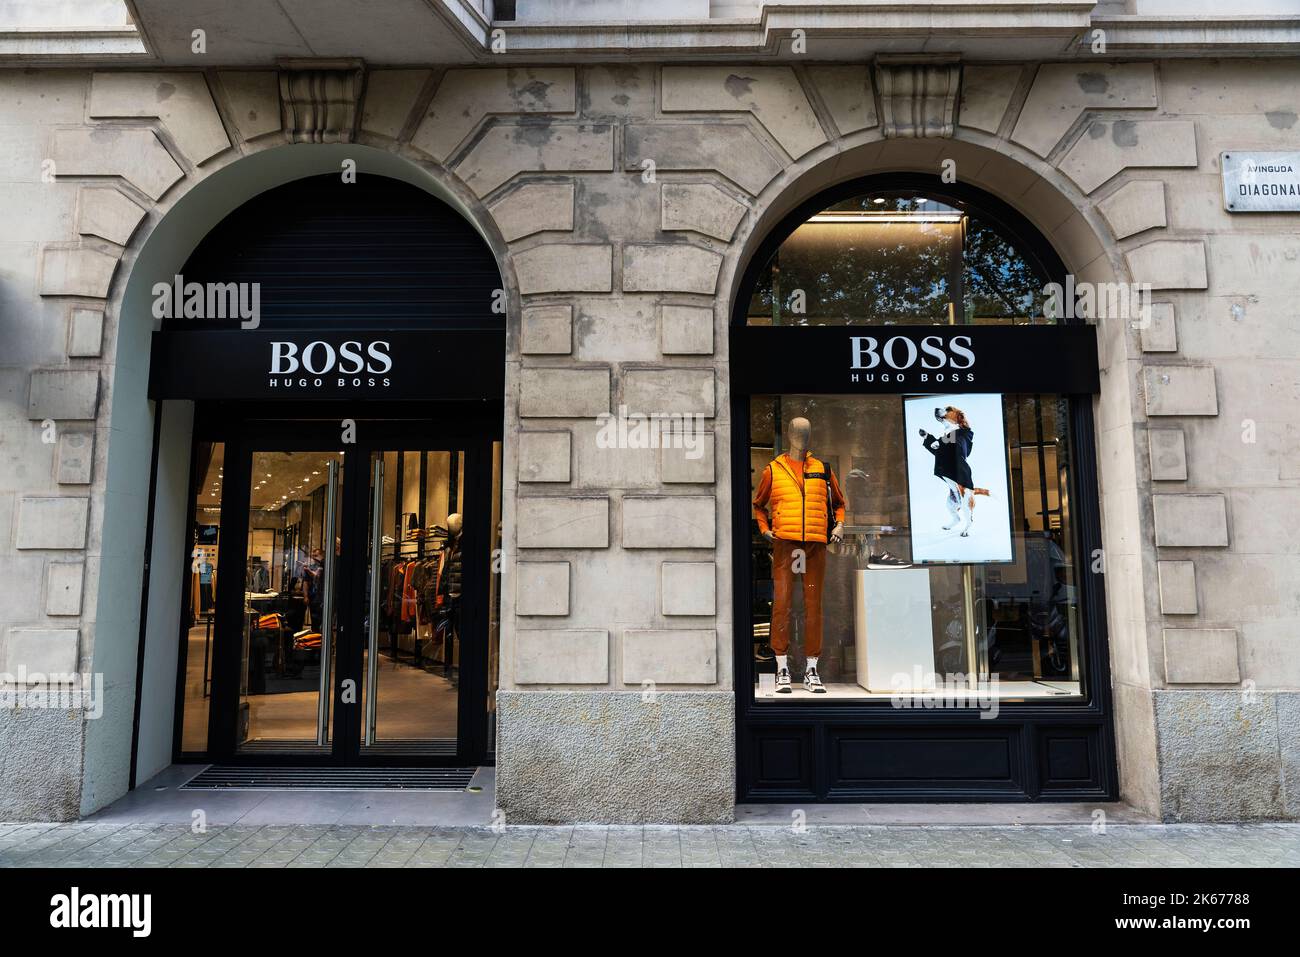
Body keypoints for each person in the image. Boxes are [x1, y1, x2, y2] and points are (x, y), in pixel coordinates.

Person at [919, 405, 989, 537]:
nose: (944, 411)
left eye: (948, 410)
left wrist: (940, 442)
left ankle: (968, 526)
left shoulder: (963, 434)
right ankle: (956, 520)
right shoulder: (951, 435)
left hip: (962, 481)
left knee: (966, 506)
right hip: (953, 487)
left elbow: (956, 441)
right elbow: (938, 450)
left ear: (958, 417)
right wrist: (927, 437)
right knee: (950, 506)